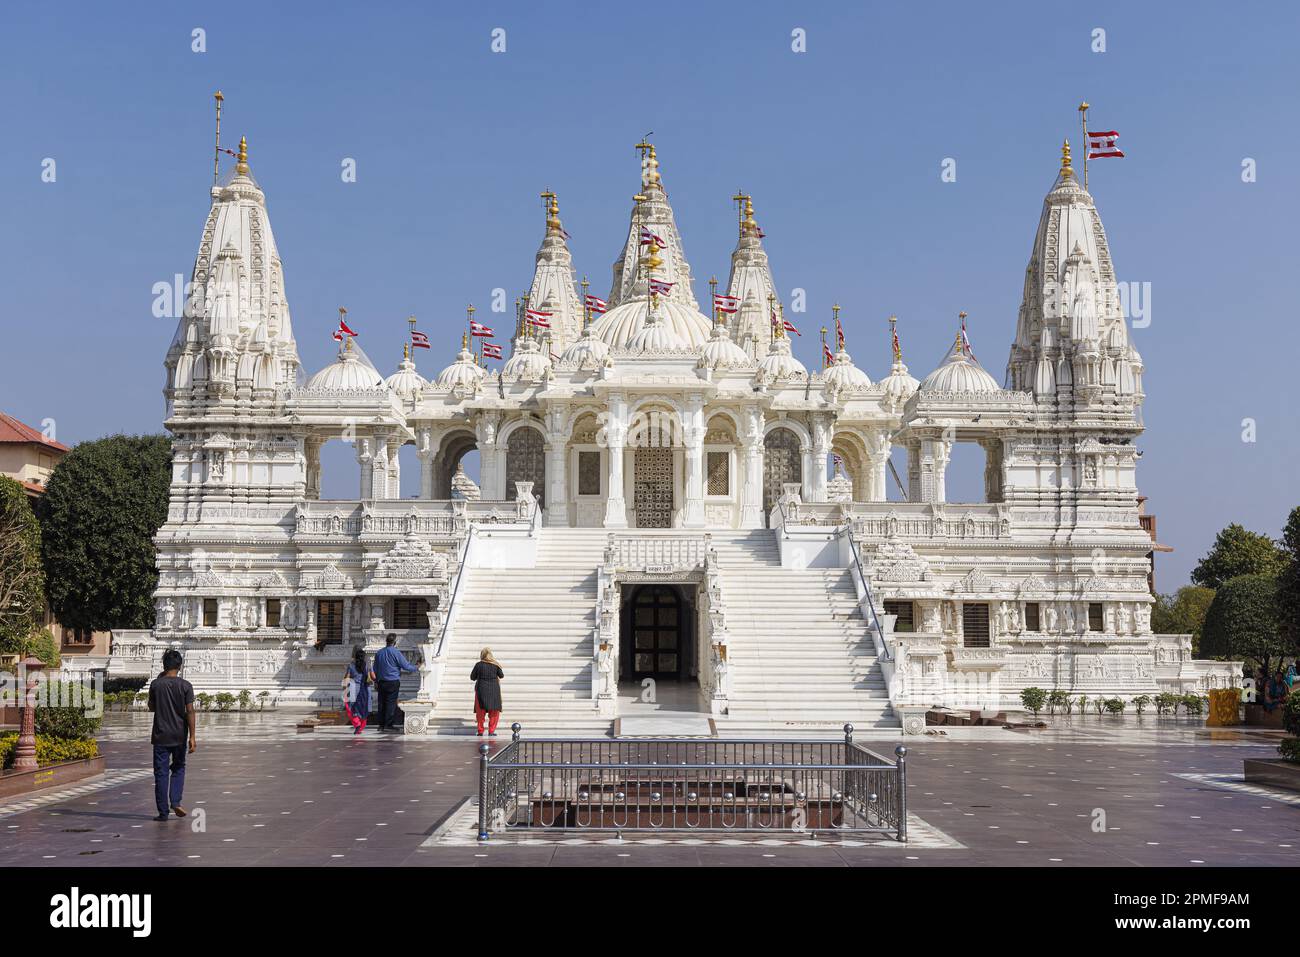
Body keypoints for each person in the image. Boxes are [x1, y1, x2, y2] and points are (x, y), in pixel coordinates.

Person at [147, 649, 196, 822]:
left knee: (161, 773)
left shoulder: (155, 684)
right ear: (180, 666)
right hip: (179, 735)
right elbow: (190, 711)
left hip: (160, 735)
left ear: (164, 665)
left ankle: (163, 812)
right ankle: (175, 801)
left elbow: (151, 707)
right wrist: (192, 736)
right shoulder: (185, 685)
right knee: (178, 767)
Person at [372, 634, 419, 732]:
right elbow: (406, 666)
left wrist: (376, 681)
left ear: (386, 641)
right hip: (392, 681)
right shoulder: (396, 652)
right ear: (395, 642)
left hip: (381, 682)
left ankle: (381, 725)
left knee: (381, 703)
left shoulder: (379, 653)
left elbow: (375, 669)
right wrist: (416, 667)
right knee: (391, 703)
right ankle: (388, 724)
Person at [470, 647, 504, 736]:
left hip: (481, 690)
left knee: (480, 712)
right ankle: (491, 731)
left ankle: (480, 731)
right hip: (494, 691)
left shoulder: (478, 665)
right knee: (494, 712)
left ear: (482, 655)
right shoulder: (495, 665)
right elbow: (501, 675)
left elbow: (472, 677)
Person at [342, 646, 373, 735]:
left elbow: (347, 678)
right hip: (365, 689)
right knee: (364, 708)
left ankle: (357, 724)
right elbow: (373, 677)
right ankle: (361, 726)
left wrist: (344, 688)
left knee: (350, 707)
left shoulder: (351, 665)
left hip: (353, 688)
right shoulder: (367, 665)